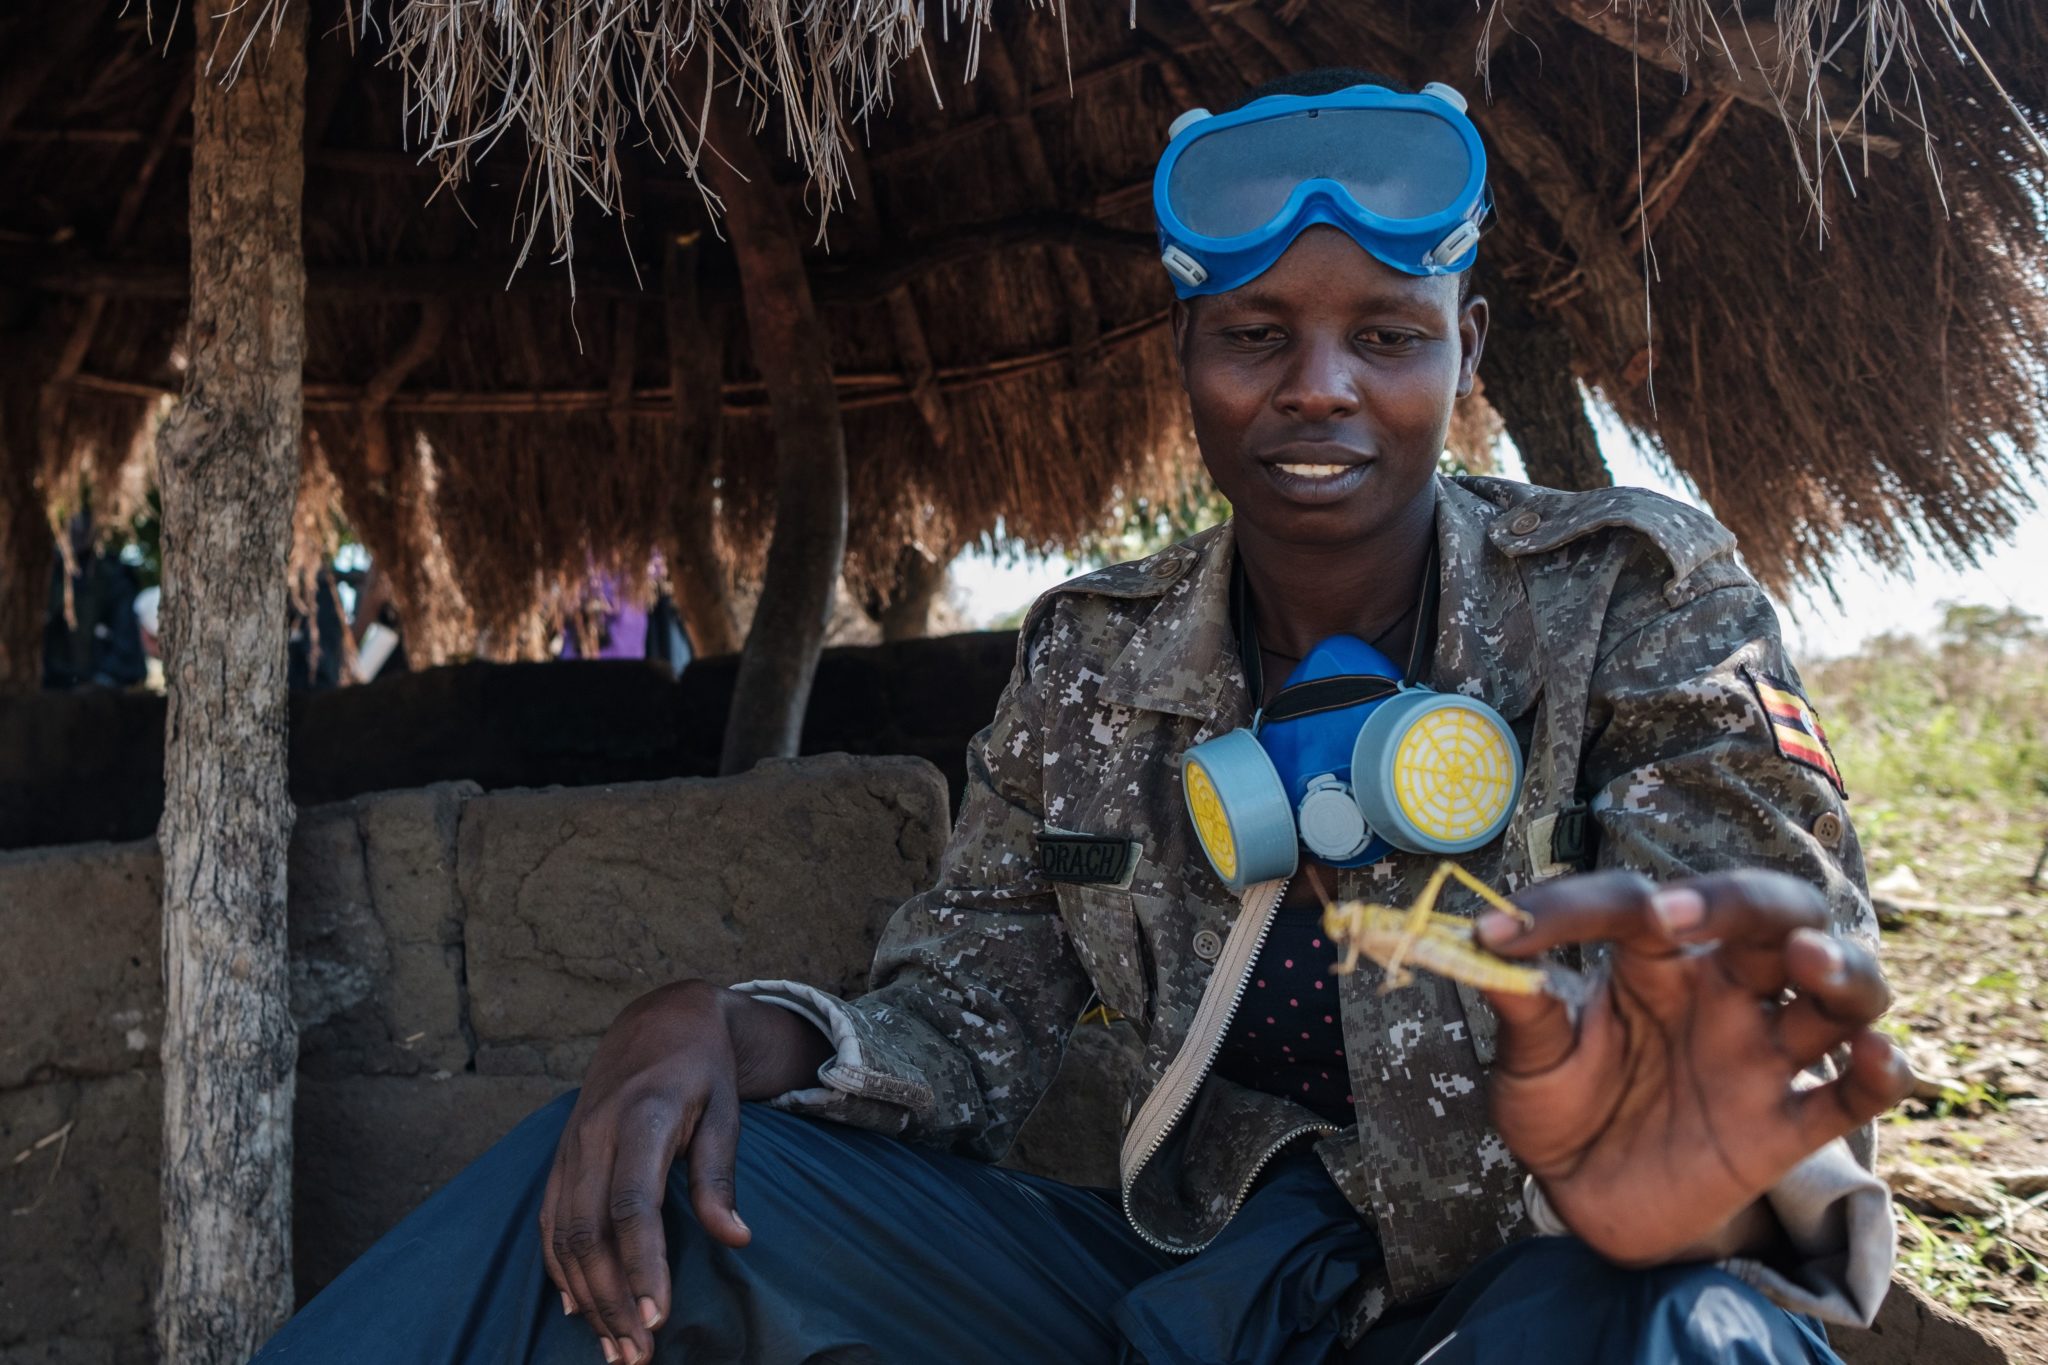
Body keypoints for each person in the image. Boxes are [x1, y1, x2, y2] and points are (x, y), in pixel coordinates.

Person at [255, 69, 1906, 1365]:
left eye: (1387, 338)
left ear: (1465, 353)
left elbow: (1753, 991)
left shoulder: (1632, 593)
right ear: (1185, 361)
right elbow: (960, 1024)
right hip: (1185, 1300)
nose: (1321, 386)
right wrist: (730, 1025)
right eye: (1256, 336)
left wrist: (1660, 1161)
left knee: (1689, 1331)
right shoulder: (1096, 664)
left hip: (1537, 1288)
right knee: (658, 1170)